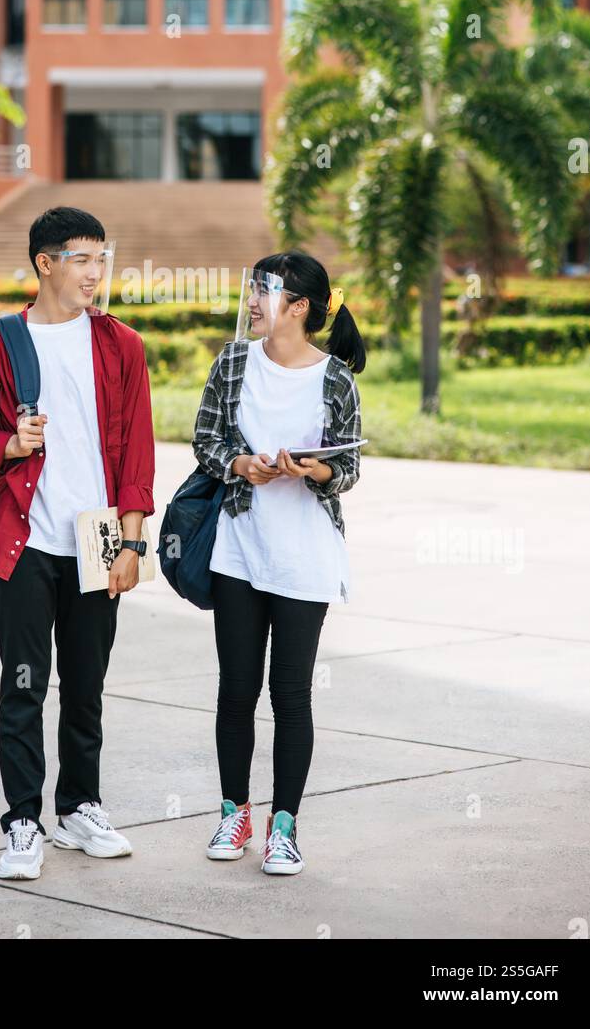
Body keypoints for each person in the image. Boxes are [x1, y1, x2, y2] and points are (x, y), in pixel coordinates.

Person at [0, 207, 155, 880]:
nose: (96, 272)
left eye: (102, 258)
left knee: (86, 685)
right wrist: (6, 444)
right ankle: (23, 822)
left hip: (94, 534)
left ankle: (79, 808)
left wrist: (131, 543)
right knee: (24, 686)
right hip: (26, 537)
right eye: (83, 258)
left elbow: (138, 456)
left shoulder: (121, 345)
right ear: (45, 263)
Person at [192, 251, 366, 876]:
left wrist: (313, 469)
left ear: (298, 307)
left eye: (265, 291)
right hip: (239, 546)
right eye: (252, 289)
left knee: (290, 695)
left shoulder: (335, 379)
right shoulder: (234, 361)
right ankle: (232, 811)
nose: (253, 301)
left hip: (305, 558)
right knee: (236, 690)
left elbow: (347, 469)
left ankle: (284, 826)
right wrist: (243, 465)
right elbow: (206, 439)